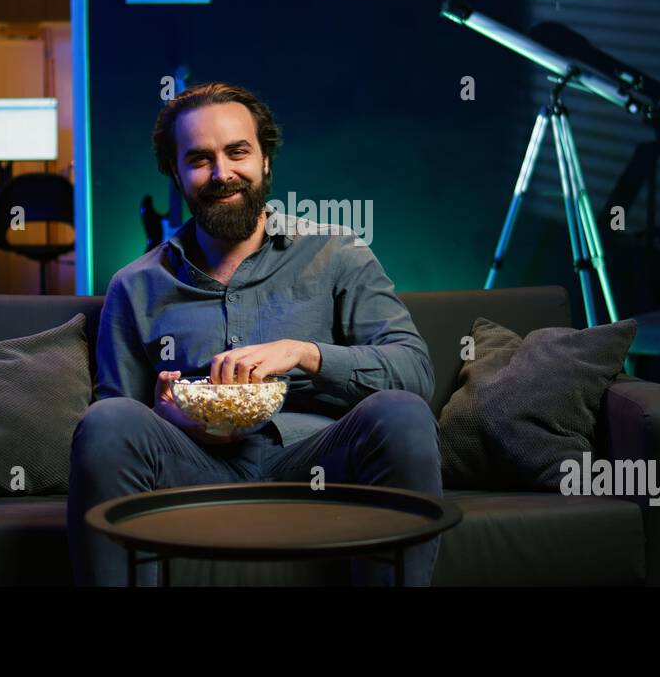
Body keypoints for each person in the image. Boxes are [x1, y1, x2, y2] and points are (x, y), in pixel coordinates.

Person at [67, 82, 440, 586]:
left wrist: (304, 353)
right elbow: (113, 420)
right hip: (192, 465)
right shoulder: (136, 286)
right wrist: (165, 413)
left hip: (319, 461)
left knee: (402, 411)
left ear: (265, 159)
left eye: (237, 152)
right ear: (176, 174)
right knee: (108, 420)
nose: (223, 173)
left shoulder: (338, 253)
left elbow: (415, 372)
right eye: (199, 159)